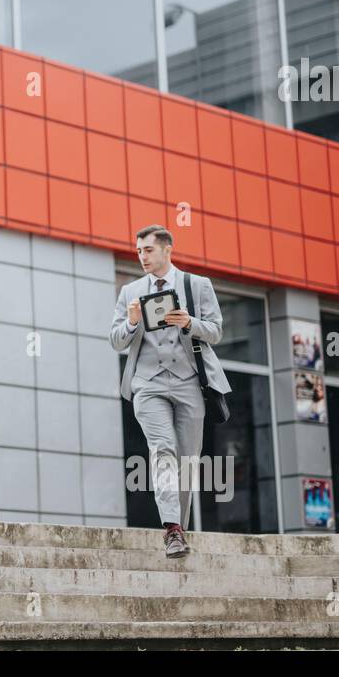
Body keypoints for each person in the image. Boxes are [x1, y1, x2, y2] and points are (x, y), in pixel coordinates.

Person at [110, 224, 231, 558]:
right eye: (138, 251)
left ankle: (180, 529)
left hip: (189, 381)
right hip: (147, 384)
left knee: (187, 460)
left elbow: (216, 331)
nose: (142, 257)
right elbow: (116, 340)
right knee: (163, 449)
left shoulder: (197, 285)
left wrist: (188, 322)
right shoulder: (130, 291)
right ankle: (172, 530)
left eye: (148, 250)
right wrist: (133, 321)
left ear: (167, 249)